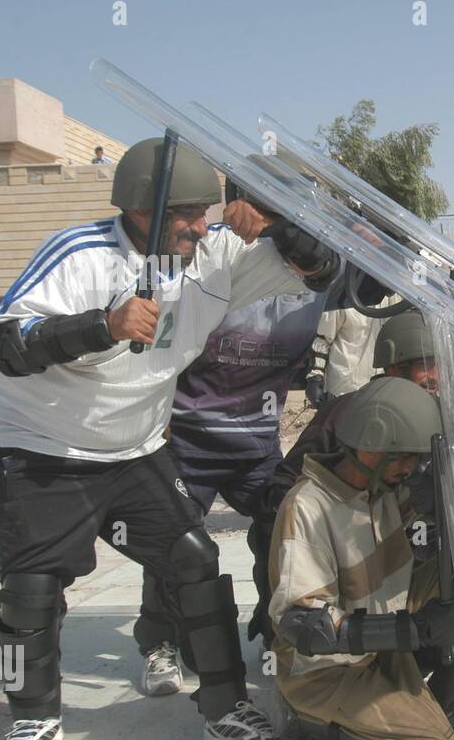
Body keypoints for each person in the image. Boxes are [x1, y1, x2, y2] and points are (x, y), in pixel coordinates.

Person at [0, 137, 387, 740]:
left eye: (209, 210)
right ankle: (34, 717)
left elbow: (321, 269)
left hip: (136, 450)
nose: (203, 224)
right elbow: (0, 342)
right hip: (39, 451)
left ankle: (223, 707)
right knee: (32, 592)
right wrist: (101, 326)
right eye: (188, 213)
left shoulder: (215, 255)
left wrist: (278, 223)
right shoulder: (80, 254)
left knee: (194, 563)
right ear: (144, 208)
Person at [132, 288, 336, 697]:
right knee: (174, 547)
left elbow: (370, 279)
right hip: (187, 443)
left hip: (256, 447)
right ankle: (161, 642)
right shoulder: (219, 276)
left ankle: (275, 628)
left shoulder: (316, 287)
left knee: (283, 531)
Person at [268, 377, 454, 740]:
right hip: (327, 672)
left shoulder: (385, 491)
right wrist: (412, 630)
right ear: (370, 444)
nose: (410, 468)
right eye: (402, 457)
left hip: (383, 642)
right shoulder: (307, 507)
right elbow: (307, 626)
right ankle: (309, 718)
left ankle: (443, 683)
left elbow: (427, 551)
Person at [248, 308, 439, 645]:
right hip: (326, 561)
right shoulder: (351, 410)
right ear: (396, 367)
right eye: (426, 364)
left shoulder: (432, 414)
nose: (437, 376)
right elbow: (277, 497)